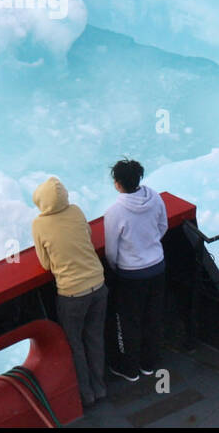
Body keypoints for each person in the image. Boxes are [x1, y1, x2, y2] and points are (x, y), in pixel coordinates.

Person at [32, 176, 109, 408]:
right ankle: (101, 387)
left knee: (75, 344)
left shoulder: (39, 225)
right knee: (95, 338)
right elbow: (86, 236)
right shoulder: (75, 211)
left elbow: (45, 264)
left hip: (72, 293)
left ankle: (86, 396)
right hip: (98, 284)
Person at [103, 158, 168, 381]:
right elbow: (163, 227)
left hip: (131, 275)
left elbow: (111, 250)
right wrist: (149, 248)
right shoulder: (155, 197)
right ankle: (149, 364)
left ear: (118, 183)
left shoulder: (115, 211)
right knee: (153, 315)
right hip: (157, 266)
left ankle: (130, 369)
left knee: (129, 321)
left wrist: (120, 265)